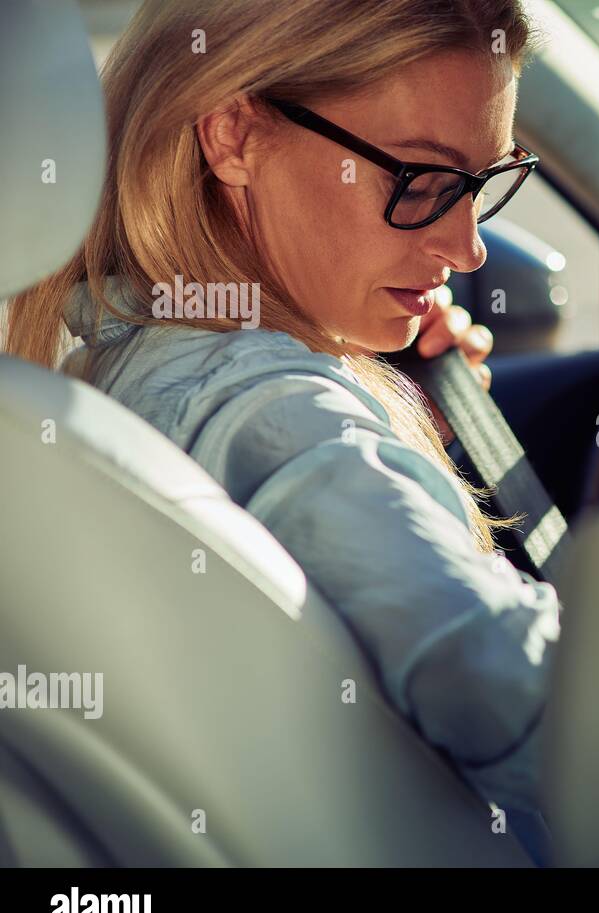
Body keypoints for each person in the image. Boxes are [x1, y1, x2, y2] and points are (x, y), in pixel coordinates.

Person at [3, 0, 560, 865]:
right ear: (232, 134)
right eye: (423, 181)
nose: (468, 246)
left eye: (484, 185)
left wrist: (407, 423)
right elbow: (501, 687)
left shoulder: (108, 371)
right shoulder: (278, 414)